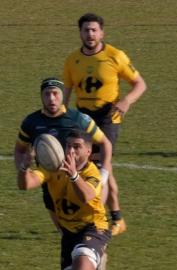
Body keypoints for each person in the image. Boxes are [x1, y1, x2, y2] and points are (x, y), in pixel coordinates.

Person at [17, 130, 142, 270]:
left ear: (88, 150)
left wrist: (74, 175)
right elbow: (24, 184)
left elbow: (88, 196)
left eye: (76, 146)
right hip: (69, 235)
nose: (71, 151)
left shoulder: (91, 172)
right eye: (68, 146)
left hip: (93, 227)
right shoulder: (53, 168)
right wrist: (24, 167)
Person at [63, 13, 146, 236]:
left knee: (101, 169)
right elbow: (66, 93)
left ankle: (106, 218)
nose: (90, 34)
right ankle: (113, 217)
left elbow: (140, 84)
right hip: (82, 118)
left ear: (102, 32)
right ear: (79, 33)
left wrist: (127, 100)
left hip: (108, 118)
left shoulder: (115, 56)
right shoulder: (72, 60)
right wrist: (62, 118)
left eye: (94, 30)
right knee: (89, 168)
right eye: (85, 30)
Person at [14, 77, 113, 234]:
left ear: (63, 95)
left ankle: (96, 245)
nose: (51, 98)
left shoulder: (78, 119)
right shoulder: (31, 122)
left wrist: (104, 174)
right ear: (41, 96)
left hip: (80, 177)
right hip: (50, 178)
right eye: (47, 94)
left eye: (55, 93)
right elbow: (19, 150)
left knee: (92, 222)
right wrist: (23, 168)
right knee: (64, 231)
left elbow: (105, 143)